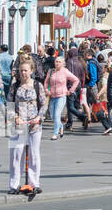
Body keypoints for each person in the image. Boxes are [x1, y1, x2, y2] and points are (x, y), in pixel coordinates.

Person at [7, 59, 46, 196]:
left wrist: (39, 118)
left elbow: (43, 104)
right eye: (21, 70)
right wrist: (15, 117)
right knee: (16, 156)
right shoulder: (15, 86)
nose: (23, 73)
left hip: (34, 125)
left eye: (25, 70)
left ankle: (34, 183)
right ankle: (14, 184)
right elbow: (9, 104)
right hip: (18, 125)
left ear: (31, 71)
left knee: (34, 155)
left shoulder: (37, 85)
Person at [44, 55, 79, 140]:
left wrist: (70, 91)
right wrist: (46, 90)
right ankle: (61, 127)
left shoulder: (65, 71)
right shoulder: (51, 71)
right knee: (52, 115)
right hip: (52, 96)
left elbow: (76, 80)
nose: (57, 63)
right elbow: (46, 82)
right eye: (56, 61)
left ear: (63, 64)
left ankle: (55, 134)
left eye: (59, 62)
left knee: (57, 115)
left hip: (61, 96)